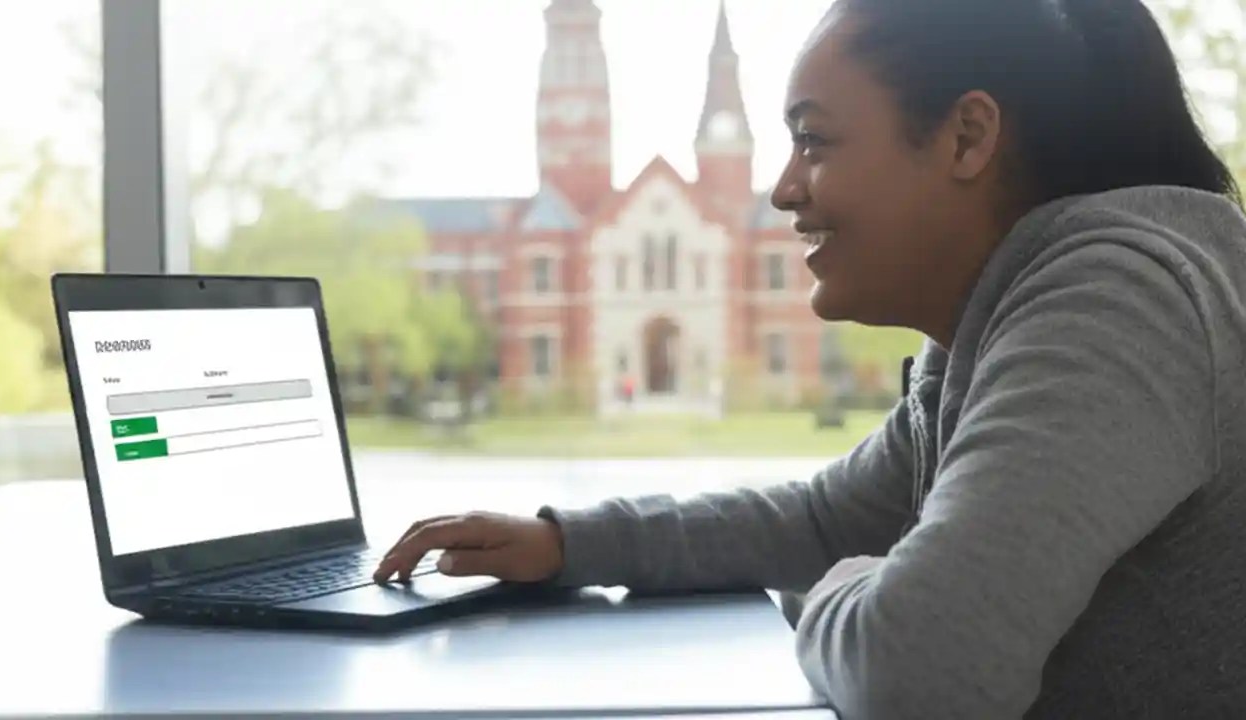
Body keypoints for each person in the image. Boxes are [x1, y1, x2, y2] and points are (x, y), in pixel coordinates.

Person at [375, 0, 1246, 716]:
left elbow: (921, 672)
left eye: (815, 141)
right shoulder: (989, 322)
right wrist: (568, 544)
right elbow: (826, 519)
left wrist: (840, 588)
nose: (783, 189)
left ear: (966, 138)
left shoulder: (1120, 301)